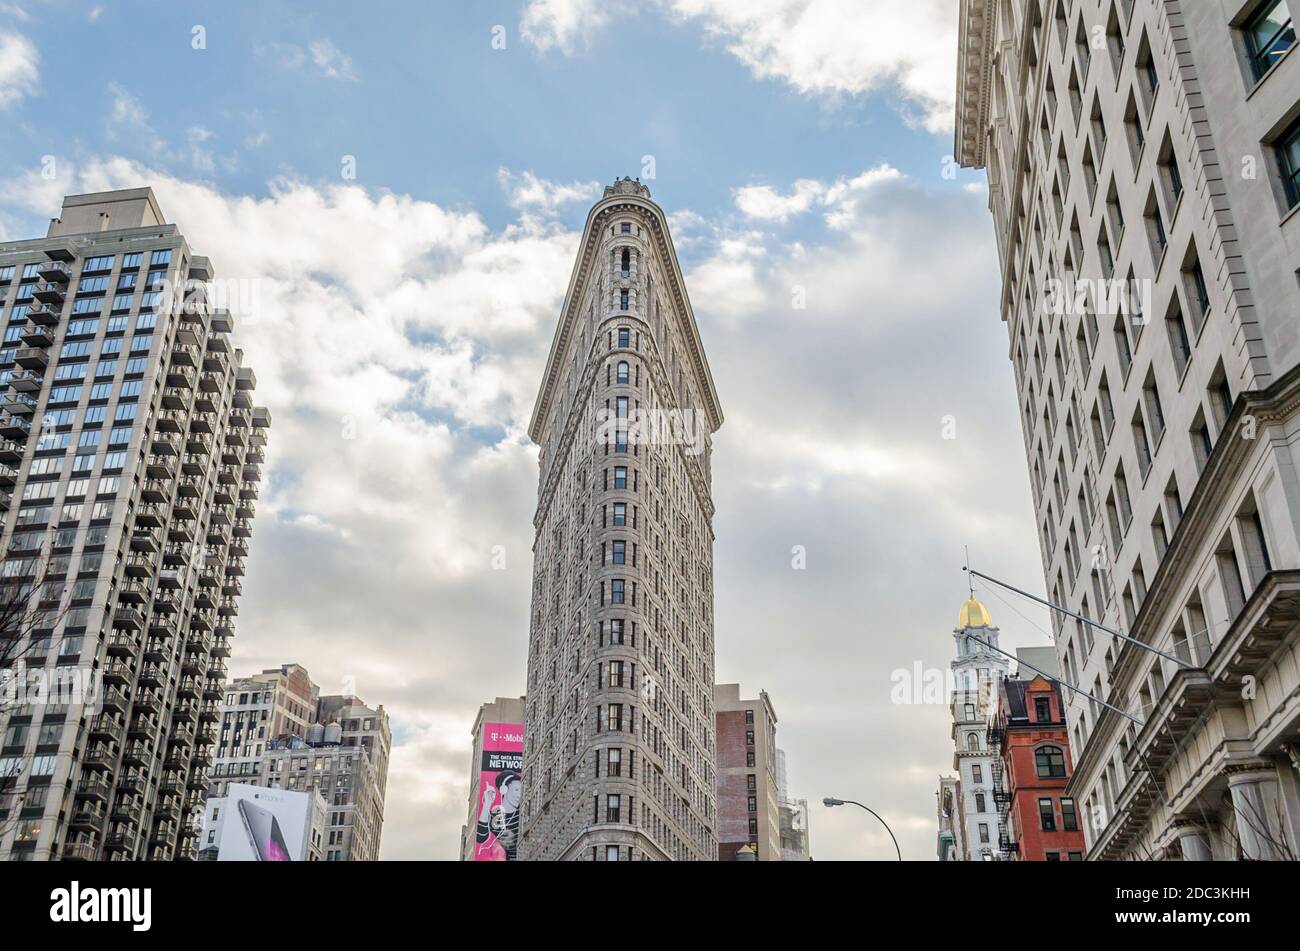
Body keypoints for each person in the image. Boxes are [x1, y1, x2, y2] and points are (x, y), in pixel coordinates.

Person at [476, 769, 522, 861]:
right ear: (504, 789)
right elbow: (480, 838)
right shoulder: (496, 817)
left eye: (521, 790)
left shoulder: (523, 811)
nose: (519, 795)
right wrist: (487, 804)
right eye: (516, 789)